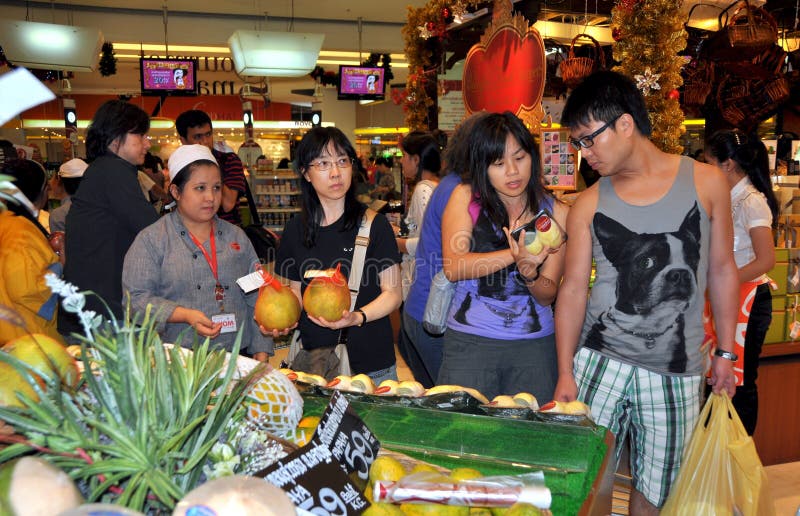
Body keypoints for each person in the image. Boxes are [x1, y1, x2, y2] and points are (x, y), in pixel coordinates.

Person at [554, 70, 738, 514]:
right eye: (578, 143)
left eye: (588, 139)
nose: (585, 153)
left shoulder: (706, 182)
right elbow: (575, 289)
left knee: (658, 492)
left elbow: (722, 269)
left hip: (677, 370)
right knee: (587, 483)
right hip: (601, 362)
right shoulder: (590, 202)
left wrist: (727, 354)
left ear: (623, 124)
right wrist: (565, 371)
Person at [439, 112, 568, 401]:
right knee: (466, 434)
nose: (512, 171)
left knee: (528, 438)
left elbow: (548, 294)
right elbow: (454, 266)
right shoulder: (465, 197)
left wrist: (530, 273)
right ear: (482, 167)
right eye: (498, 163)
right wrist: (514, 256)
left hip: (534, 348)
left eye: (520, 158)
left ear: (533, 157)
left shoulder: (556, 212)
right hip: (471, 344)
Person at [273, 127, 402, 382]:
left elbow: (394, 293)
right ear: (305, 173)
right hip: (314, 363)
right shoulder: (294, 230)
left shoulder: (374, 225)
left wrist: (357, 316)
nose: (335, 172)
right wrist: (282, 319)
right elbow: (296, 296)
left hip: (370, 363)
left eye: (342, 161)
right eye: (322, 163)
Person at [122, 145, 272, 360]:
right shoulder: (152, 240)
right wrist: (183, 314)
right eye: (200, 188)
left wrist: (262, 351)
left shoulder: (237, 237)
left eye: (217, 187)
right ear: (176, 192)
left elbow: (257, 297)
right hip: (179, 361)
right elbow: (135, 301)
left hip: (239, 357)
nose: (211, 197)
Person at [402, 113, 489, 388]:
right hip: (436, 315)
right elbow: (460, 262)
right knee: (452, 402)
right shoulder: (462, 190)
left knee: (437, 398)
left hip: (423, 310)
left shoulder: (452, 183)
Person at [60, 100, 159, 337]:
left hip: (91, 307)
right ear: (116, 138)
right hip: (104, 312)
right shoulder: (113, 172)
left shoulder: (104, 170)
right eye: (141, 136)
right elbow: (152, 229)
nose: (148, 143)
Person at [704, 129, 778, 436]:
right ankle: (715, 451)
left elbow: (766, 260)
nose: (703, 169)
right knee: (716, 378)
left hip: (748, 299)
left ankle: (738, 453)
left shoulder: (751, 201)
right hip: (724, 297)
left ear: (728, 165)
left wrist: (724, 281)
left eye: (708, 162)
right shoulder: (723, 198)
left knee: (740, 379)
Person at [0, 159, 62, 342]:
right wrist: (62, 265)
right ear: (41, 191)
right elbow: (27, 291)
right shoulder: (21, 232)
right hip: (27, 338)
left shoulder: (8, 223)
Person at [176, 110, 246, 226]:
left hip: (225, 234)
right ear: (183, 140)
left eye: (208, 134)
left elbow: (228, 205)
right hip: (189, 234)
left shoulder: (229, 160)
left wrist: (210, 163)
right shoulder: (180, 166)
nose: (205, 142)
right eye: (197, 137)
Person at [49, 158, 88, 233]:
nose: (50, 182)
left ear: (59, 180)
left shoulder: (58, 215)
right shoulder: (98, 206)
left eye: (53, 178)